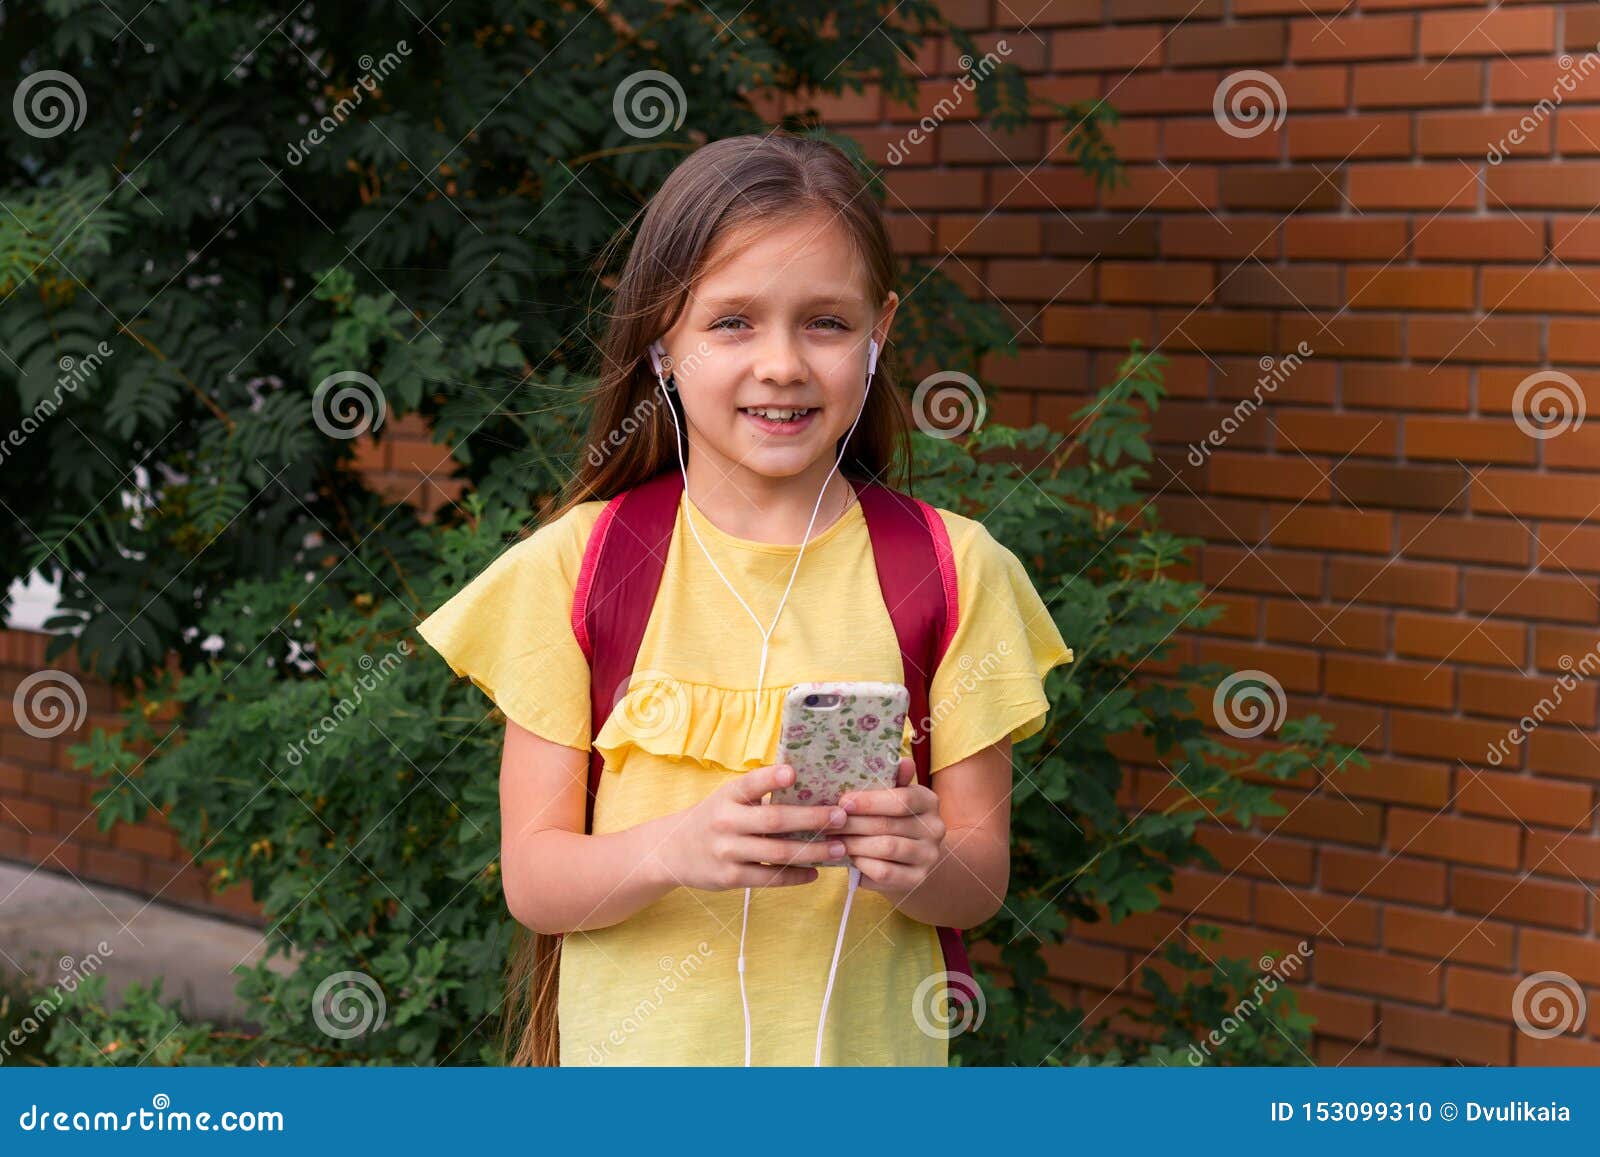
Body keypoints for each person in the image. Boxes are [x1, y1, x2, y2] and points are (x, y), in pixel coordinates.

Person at [416, 131, 1073, 1066]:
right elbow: (535, 877)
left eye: (826, 322)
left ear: (879, 330)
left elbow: (979, 878)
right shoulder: (580, 565)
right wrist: (675, 847)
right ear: (660, 340)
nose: (782, 364)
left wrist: (926, 862)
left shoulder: (956, 569)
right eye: (732, 322)